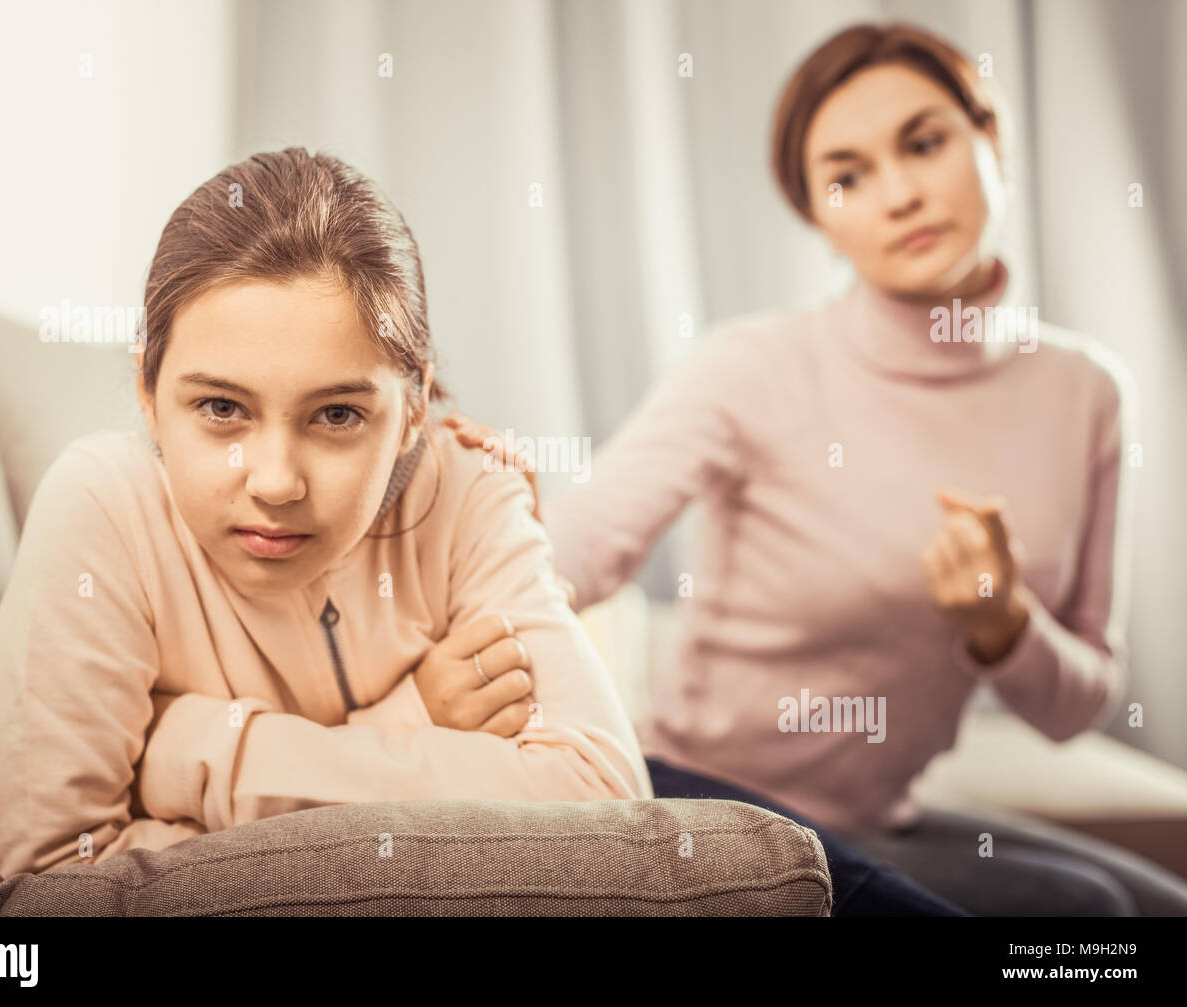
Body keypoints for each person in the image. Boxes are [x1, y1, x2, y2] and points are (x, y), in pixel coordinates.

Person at [446, 22, 1187, 915]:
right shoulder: (752, 366)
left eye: (925, 142)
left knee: (1150, 907)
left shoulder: (1087, 392)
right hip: (700, 804)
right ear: (818, 218)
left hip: (883, 818)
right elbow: (579, 548)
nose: (901, 193)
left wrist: (1004, 622)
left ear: (992, 140)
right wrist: (480, 513)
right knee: (1088, 918)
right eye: (848, 176)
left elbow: (1079, 704)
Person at [0, 148, 652, 879]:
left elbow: (605, 806)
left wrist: (188, 755)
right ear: (147, 387)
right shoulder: (102, 506)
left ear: (413, 407)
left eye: (336, 413)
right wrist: (409, 721)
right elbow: (50, 874)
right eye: (221, 408)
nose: (275, 483)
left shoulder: (468, 488)